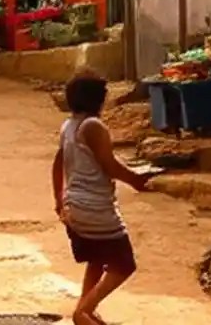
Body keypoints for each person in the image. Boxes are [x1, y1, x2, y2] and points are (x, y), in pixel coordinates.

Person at [52, 71, 152, 325]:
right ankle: (83, 311)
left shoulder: (68, 126)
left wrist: (59, 201)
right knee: (124, 265)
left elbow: (57, 163)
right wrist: (137, 179)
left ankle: (86, 309)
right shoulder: (93, 127)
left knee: (97, 258)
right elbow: (110, 166)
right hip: (95, 209)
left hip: (74, 207)